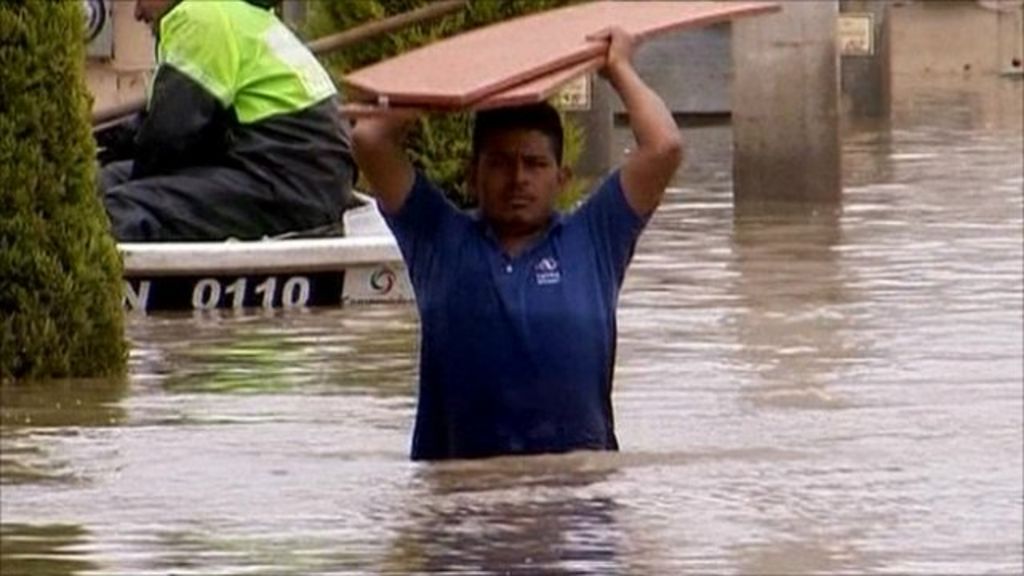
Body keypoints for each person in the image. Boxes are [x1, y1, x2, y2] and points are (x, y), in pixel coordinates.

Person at [352, 27, 684, 461]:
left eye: (534, 164)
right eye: (500, 164)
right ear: (473, 175)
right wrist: (441, 81)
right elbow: (368, 140)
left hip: (576, 498)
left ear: (561, 179)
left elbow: (664, 147)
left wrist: (618, 69)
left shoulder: (596, 237)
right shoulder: (437, 238)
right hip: (462, 496)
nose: (518, 179)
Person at [97, 0, 356, 241]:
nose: (137, 13)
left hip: (284, 183)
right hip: (304, 175)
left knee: (122, 208)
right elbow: (164, 125)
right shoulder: (234, 13)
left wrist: (128, 181)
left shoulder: (199, 17)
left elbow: (169, 140)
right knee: (104, 182)